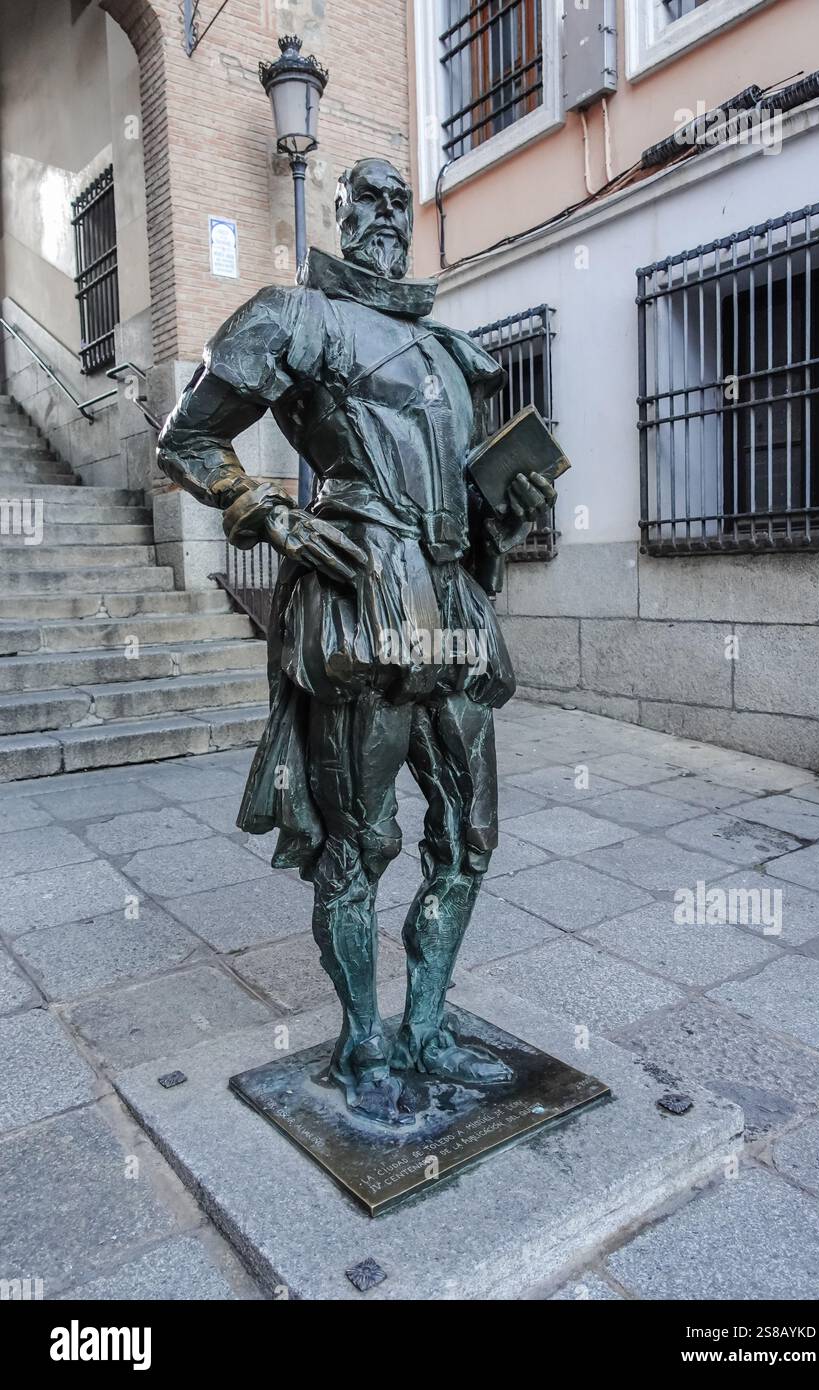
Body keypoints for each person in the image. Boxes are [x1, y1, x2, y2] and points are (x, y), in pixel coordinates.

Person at [157, 157, 556, 1125]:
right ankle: (360, 1043)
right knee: (359, 845)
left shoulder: (451, 354)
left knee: (470, 835)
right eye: (363, 198)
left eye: (395, 200)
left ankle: (425, 1025)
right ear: (337, 215)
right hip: (364, 603)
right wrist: (269, 515)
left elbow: (457, 496)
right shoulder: (296, 318)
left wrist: (505, 512)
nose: (383, 213)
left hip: (452, 606)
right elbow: (185, 437)